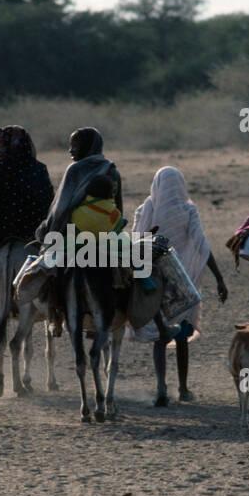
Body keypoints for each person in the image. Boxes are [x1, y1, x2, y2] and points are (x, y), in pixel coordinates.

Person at [131, 166, 229, 406]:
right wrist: (219, 277)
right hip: (180, 278)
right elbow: (202, 244)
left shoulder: (146, 209)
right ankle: (184, 388)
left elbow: (136, 240)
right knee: (182, 332)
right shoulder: (188, 210)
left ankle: (161, 387)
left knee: (159, 335)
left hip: (153, 278)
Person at [0, 125, 54, 281]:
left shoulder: (0, 167)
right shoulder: (40, 169)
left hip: (0, 234)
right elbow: (49, 204)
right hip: (34, 236)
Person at [35, 127, 122, 244]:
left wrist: (47, 231)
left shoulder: (75, 169)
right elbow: (118, 206)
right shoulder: (111, 169)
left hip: (75, 234)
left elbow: (60, 209)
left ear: (87, 147)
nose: (70, 150)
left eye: (75, 146)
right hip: (107, 231)